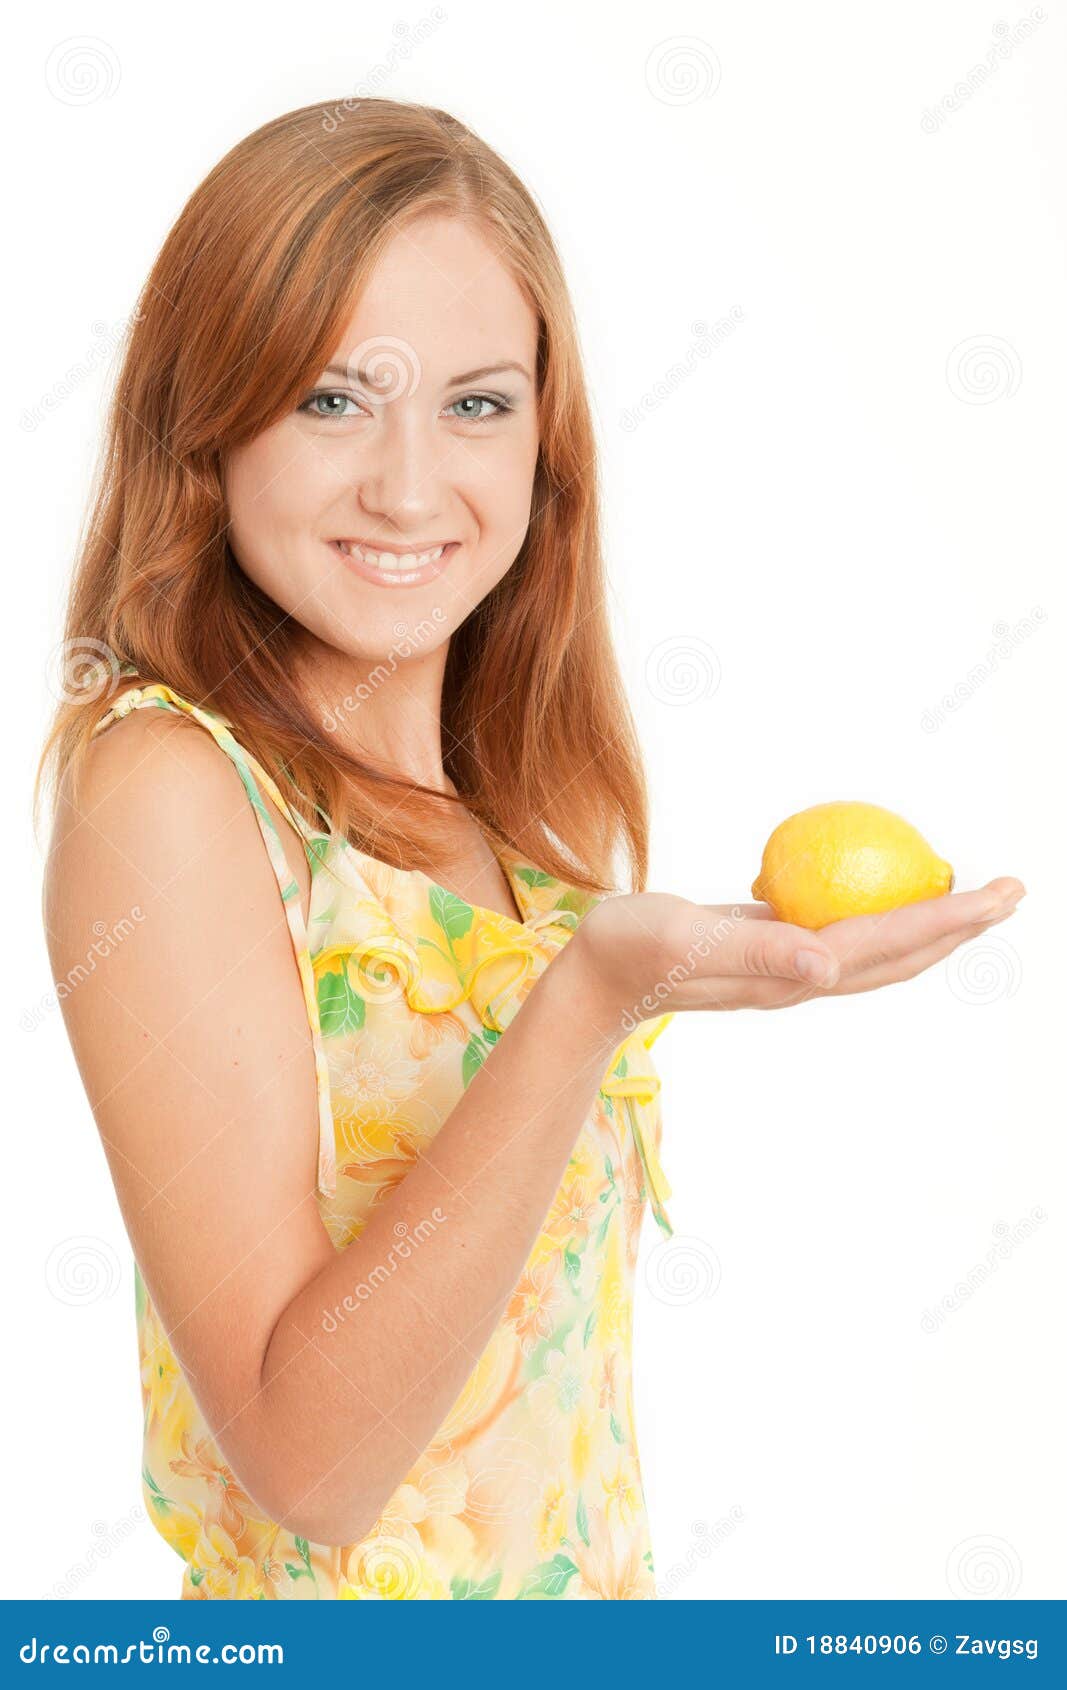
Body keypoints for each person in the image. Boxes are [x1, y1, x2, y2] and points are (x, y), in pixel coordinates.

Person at [36, 97, 1024, 1601]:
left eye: (477, 405)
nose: (412, 486)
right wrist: (587, 1004)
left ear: (547, 442)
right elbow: (312, 1465)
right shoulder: (168, 791)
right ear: (207, 423)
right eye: (329, 399)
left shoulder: (514, 827)